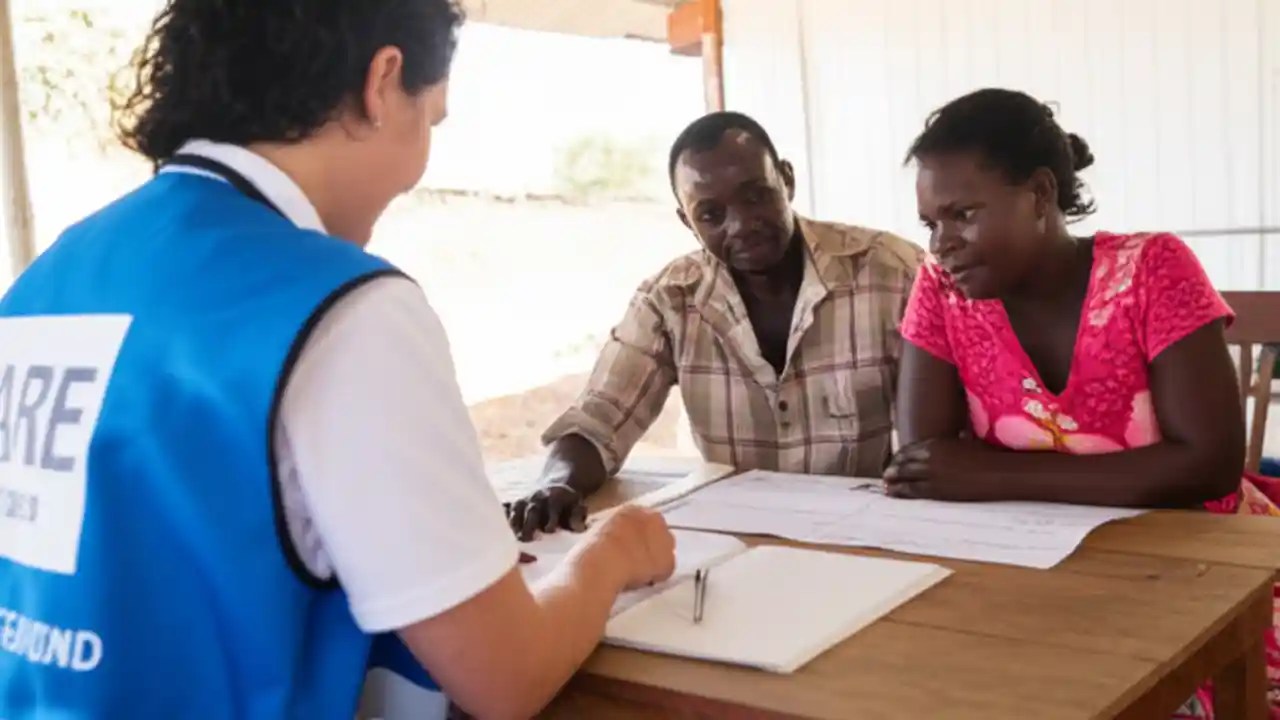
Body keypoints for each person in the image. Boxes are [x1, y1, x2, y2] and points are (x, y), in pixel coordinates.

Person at [0, 2, 675, 719]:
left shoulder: (48, 278)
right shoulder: (344, 309)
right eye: (433, 119)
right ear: (383, 82)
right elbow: (505, 677)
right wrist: (609, 557)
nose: (422, 158)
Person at [889, 87, 1280, 719]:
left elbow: (1207, 464)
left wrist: (991, 473)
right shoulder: (943, 290)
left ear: (1040, 195)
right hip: (1033, 571)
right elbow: (927, 462)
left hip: (1200, 568)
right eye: (931, 224)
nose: (941, 245)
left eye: (963, 214)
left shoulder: (1153, 269)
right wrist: (972, 476)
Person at [506, 111, 924, 539]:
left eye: (756, 195)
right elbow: (598, 420)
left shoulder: (893, 273)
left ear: (787, 180)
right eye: (711, 214)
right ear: (687, 222)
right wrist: (556, 483)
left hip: (865, 540)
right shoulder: (670, 300)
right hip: (734, 544)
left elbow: (939, 441)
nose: (741, 224)